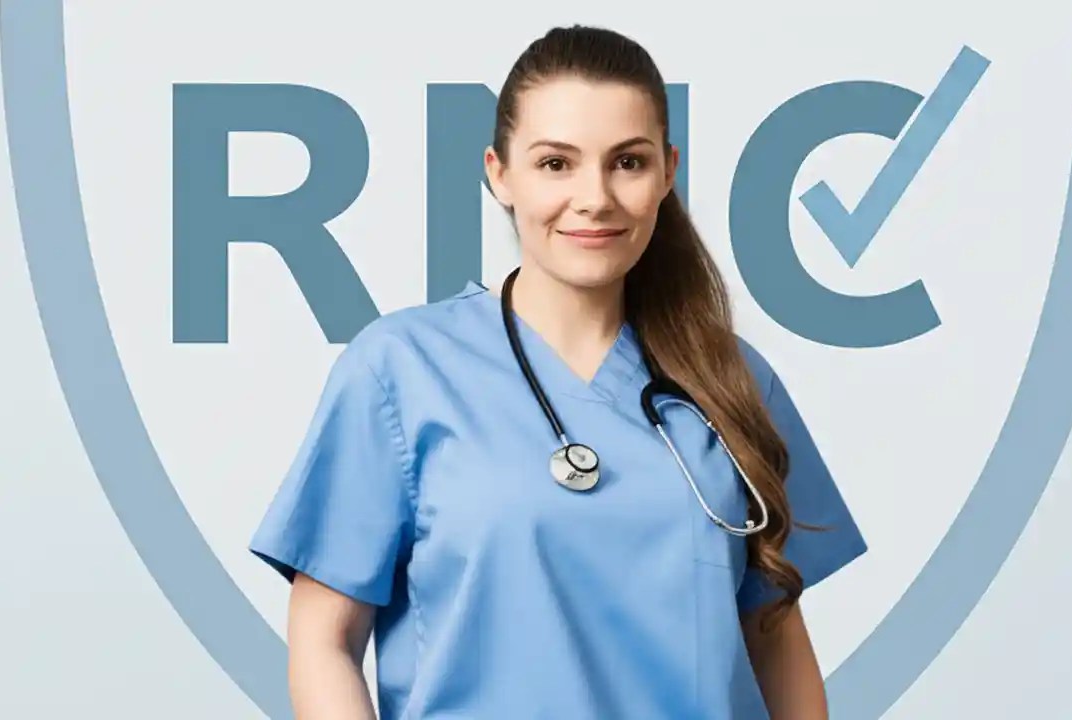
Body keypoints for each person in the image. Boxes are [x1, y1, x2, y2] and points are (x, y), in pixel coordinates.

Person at [248, 24, 866, 720]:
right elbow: (322, 639)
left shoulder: (730, 380)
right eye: (555, 164)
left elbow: (774, 635)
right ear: (499, 173)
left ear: (667, 172)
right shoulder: (400, 371)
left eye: (627, 163)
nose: (595, 197)